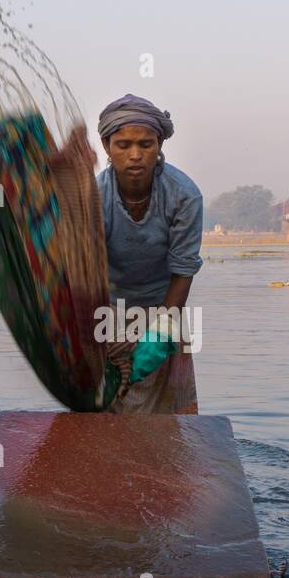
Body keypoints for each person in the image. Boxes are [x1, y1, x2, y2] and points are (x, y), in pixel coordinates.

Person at [95, 94, 203, 413]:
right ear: (106, 147)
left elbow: (183, 271)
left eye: (145, 144)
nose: (135, 156)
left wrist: (156, 332)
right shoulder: (93, 199)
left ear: (159, 146)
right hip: (109, 306)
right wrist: (105, 332)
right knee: (113, 409)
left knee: (173, 416)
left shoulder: (184, 196)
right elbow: (87, 273)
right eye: (123, 145)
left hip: (165, 304)